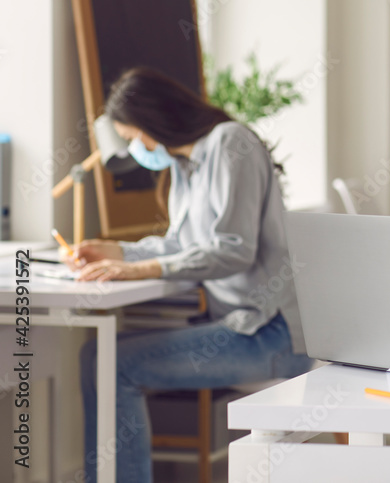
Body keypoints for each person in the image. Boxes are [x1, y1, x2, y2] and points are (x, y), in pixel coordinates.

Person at [71, 67, 313, 483]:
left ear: (153, 121)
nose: (135, 149)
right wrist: (115, 251)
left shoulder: (230, 143)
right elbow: (180, 244)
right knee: (98, 356)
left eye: (132, 138)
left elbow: (233, 249)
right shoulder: (186, 166)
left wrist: (137, 269)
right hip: (239, 326)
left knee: (110, 364)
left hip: (271, 332)